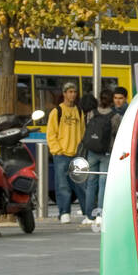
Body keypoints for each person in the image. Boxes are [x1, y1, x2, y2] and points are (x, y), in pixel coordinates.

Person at [46, 82, 86, 223]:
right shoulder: (57, 112)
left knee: (81, 184)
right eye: (69, 91)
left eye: (74, 92)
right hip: (61, 154)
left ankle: (87, 213)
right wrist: (57, 150)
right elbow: (51, 133)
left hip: (76, 154)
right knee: (62, 185)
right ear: (64, 93)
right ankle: (64, 212)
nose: (72, 94)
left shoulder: (79, 111)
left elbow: (82, 132)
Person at [79, 88, 114, 227]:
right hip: (106, 153)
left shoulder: (91, 113)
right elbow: (116, 133)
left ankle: (89, 216)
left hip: (92, 151)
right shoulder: (115, 116)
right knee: (103, 184)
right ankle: (100, 215)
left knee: (91, 183)